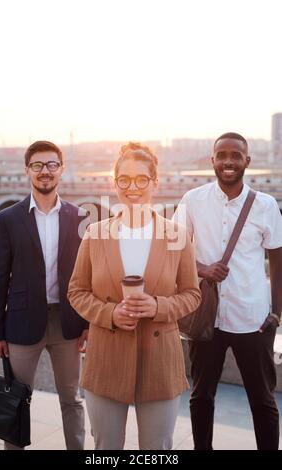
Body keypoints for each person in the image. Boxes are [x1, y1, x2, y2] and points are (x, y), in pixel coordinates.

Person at [68, 142, 201, 450]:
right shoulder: (95, 234)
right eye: (124, 179)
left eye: (141, 179)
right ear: (114, 184)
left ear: (155, 183)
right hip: (106, 360)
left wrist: (158, 306)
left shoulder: (177, 236)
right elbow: (76, 291)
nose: (133, 187)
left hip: (159, 363)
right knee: (106, 449)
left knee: (157, 449)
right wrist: (109, 314)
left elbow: (192, 294)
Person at [174, 132, 282, 450]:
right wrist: (202, 269)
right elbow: (174, 252)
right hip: (207, 319)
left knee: (262, 401)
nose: (228, 161)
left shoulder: (265, 206)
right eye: (222, 155)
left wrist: (276, 313)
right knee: (201, 396)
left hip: (252, 319)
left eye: (236, 155)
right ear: (213, 161)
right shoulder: (192, 200)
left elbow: (277, 261)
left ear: (247, 160)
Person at [0, 140, 89, 450]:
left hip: (67, 324)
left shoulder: (79, 216)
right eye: (38, 165)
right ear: (28, 170)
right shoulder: (9, 218)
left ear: (61, 170)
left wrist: (88, 323)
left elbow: (88, 277)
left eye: (51, 165)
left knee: (71, 399)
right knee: (17, 400)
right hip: (20, 324)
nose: (45, 171)